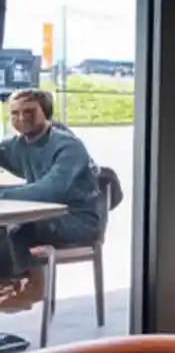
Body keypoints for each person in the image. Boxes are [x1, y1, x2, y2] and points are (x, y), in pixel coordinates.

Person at [0, 89, 103, 308]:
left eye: (28, 112)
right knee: (11, 226)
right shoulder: (19, 144)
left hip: (76, 221)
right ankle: (9, 285)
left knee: (15, 227)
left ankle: (32, 287)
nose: (20, 118)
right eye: (14, 113)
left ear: (46, 113)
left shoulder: (67, 146)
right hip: (43, 218)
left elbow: (49, 191)